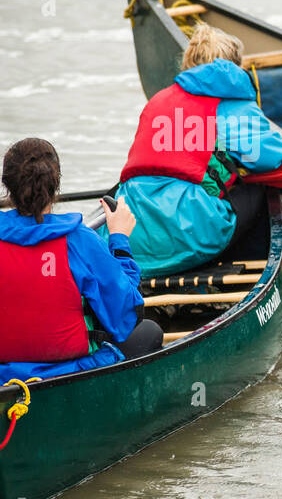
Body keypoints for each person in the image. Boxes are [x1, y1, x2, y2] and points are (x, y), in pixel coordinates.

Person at [118, 24, 282, 277]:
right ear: (235, 67)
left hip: (130, 236)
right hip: (189, 237)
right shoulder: (232, 106)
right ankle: (250, 270)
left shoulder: (158, 100)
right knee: (263, 182)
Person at [0, 138, 162, 383]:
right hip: (72, 370)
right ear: (55, 185)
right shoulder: (79, 240)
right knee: (149, 331)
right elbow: (126, 317)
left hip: (6, 375)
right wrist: (119, 239)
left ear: (7, 184)